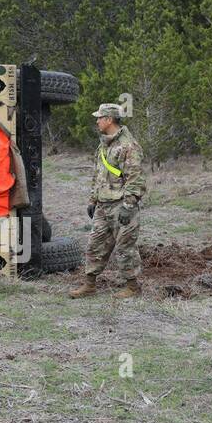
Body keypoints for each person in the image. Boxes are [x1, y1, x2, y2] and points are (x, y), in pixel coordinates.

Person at [71, 103, 148, 299]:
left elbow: (135, 178)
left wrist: (128, 206)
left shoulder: (128, 146)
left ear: (109, 120)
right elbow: (99, 174)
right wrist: (92, 199)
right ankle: (89, 285)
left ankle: (132, 287)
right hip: (103, 205)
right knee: (94, 245)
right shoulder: (104, 144)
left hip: (121, 206)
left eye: (100, 117)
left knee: (125, 247)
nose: (97, 121)